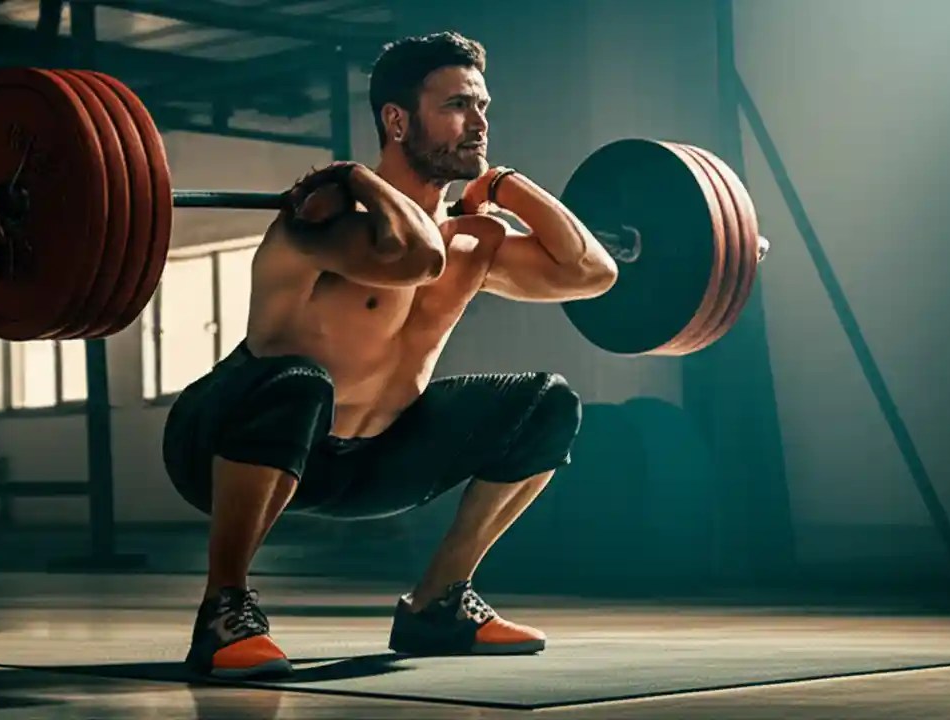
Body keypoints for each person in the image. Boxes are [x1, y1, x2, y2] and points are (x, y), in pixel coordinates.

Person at [162, 30, 618, 679]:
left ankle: (437, 603)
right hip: (225, 440)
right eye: (459, 105)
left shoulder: (475, 240)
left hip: (371, 464)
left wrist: (509, 187)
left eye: (483, 107)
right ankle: (223, 608)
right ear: (397, 120)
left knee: (546, 403)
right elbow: (416, 256)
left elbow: (593, 274)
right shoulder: (323, 220)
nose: (479, 122)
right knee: (299, 382)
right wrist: (350, 177)